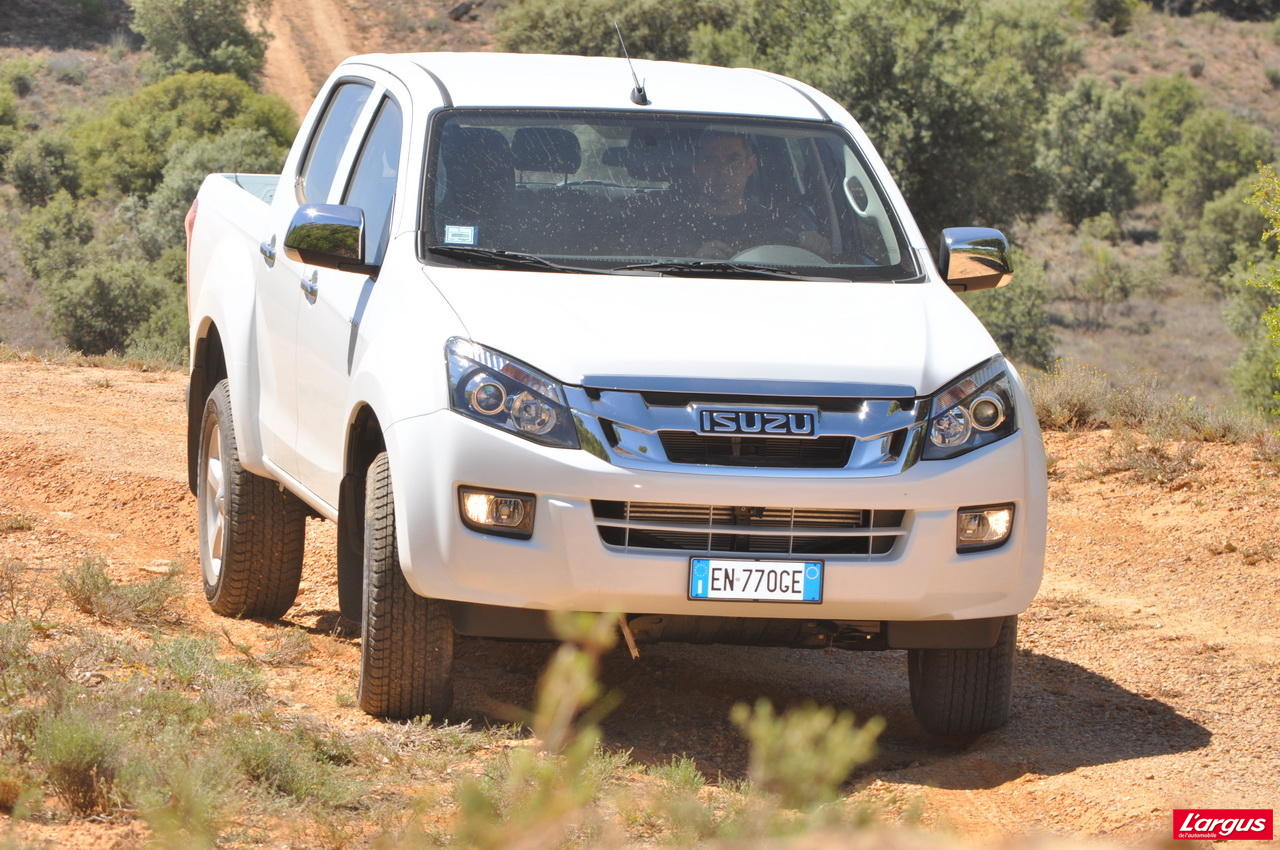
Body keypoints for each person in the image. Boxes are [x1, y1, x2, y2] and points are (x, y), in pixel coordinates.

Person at [655, 131, 828, 260]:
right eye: (710, 160)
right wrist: (692, 261)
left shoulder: (777, 224)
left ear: (751, 165)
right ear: (696, 168)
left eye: (733, 160)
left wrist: (814, 244)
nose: (723, 171)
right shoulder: (670, 225)